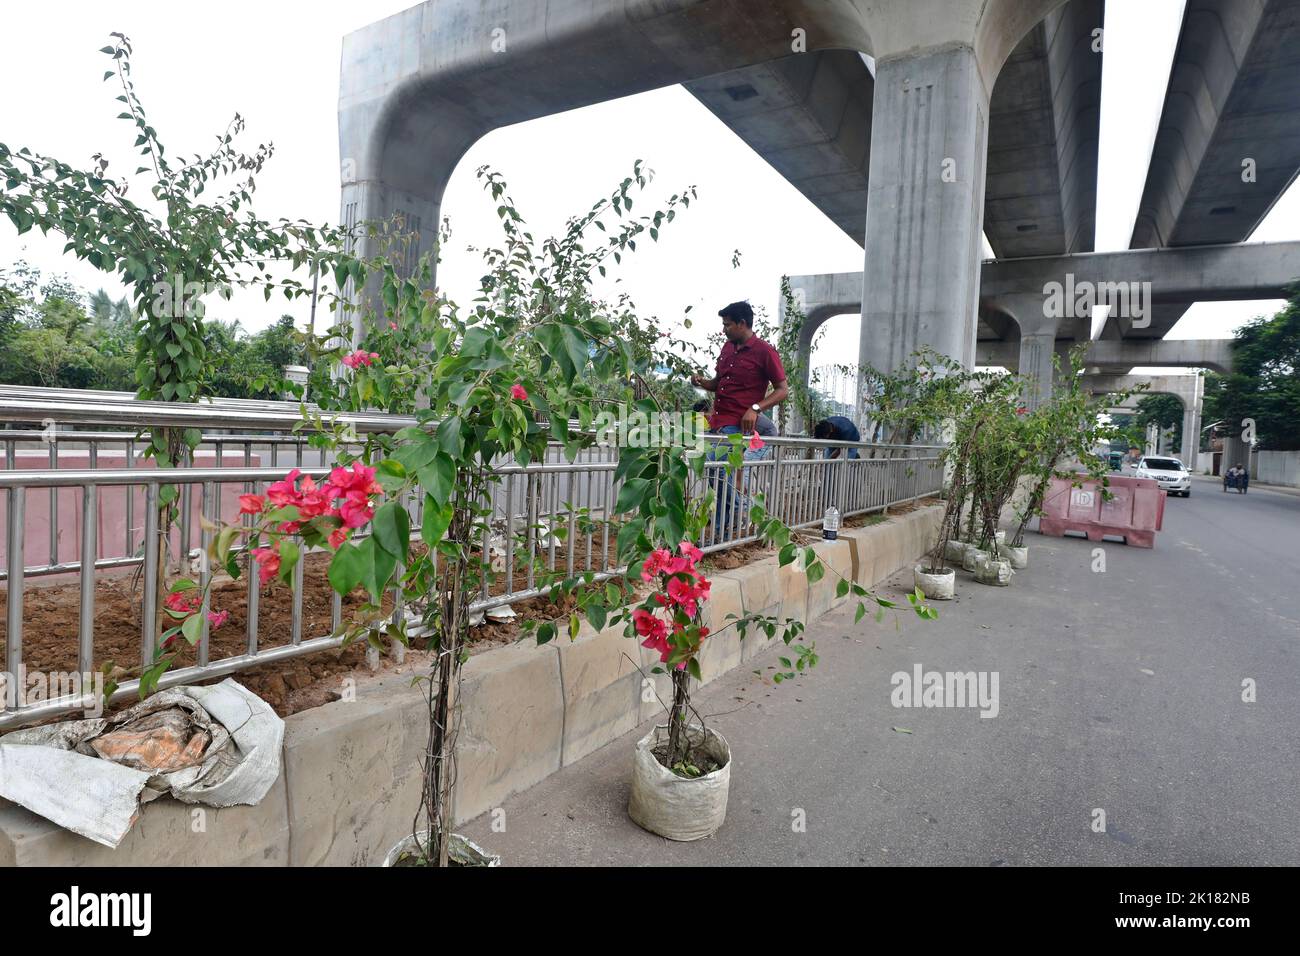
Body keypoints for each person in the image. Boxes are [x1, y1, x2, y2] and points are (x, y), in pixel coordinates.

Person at [690, 301, 788, 535]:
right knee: (718, 471)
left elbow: (782, 389)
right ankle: (729, 525)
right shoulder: (726, 348)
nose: (724, 329)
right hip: (718, 422)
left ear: (742, 324)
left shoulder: (765, 351)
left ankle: (732, 520)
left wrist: (755, 407)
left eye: (727, 325)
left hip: (737, 426)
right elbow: (718, 383)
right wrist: (702, 382)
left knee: (718, 468)